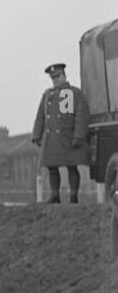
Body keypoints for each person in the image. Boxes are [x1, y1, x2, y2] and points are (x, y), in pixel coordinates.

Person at [32, 62, 90, 204]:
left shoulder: (74, 93)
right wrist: (37, 135)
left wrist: (78, 135)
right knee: (52, 167)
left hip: (68, 137)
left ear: (64, 75)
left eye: (58, 76)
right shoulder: (47, 95)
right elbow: (41, 116)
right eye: (53, 78)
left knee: (71, 166)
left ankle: (73, 196)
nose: (56, 79)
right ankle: (55, 196)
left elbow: (81, 116)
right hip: (51, 138)